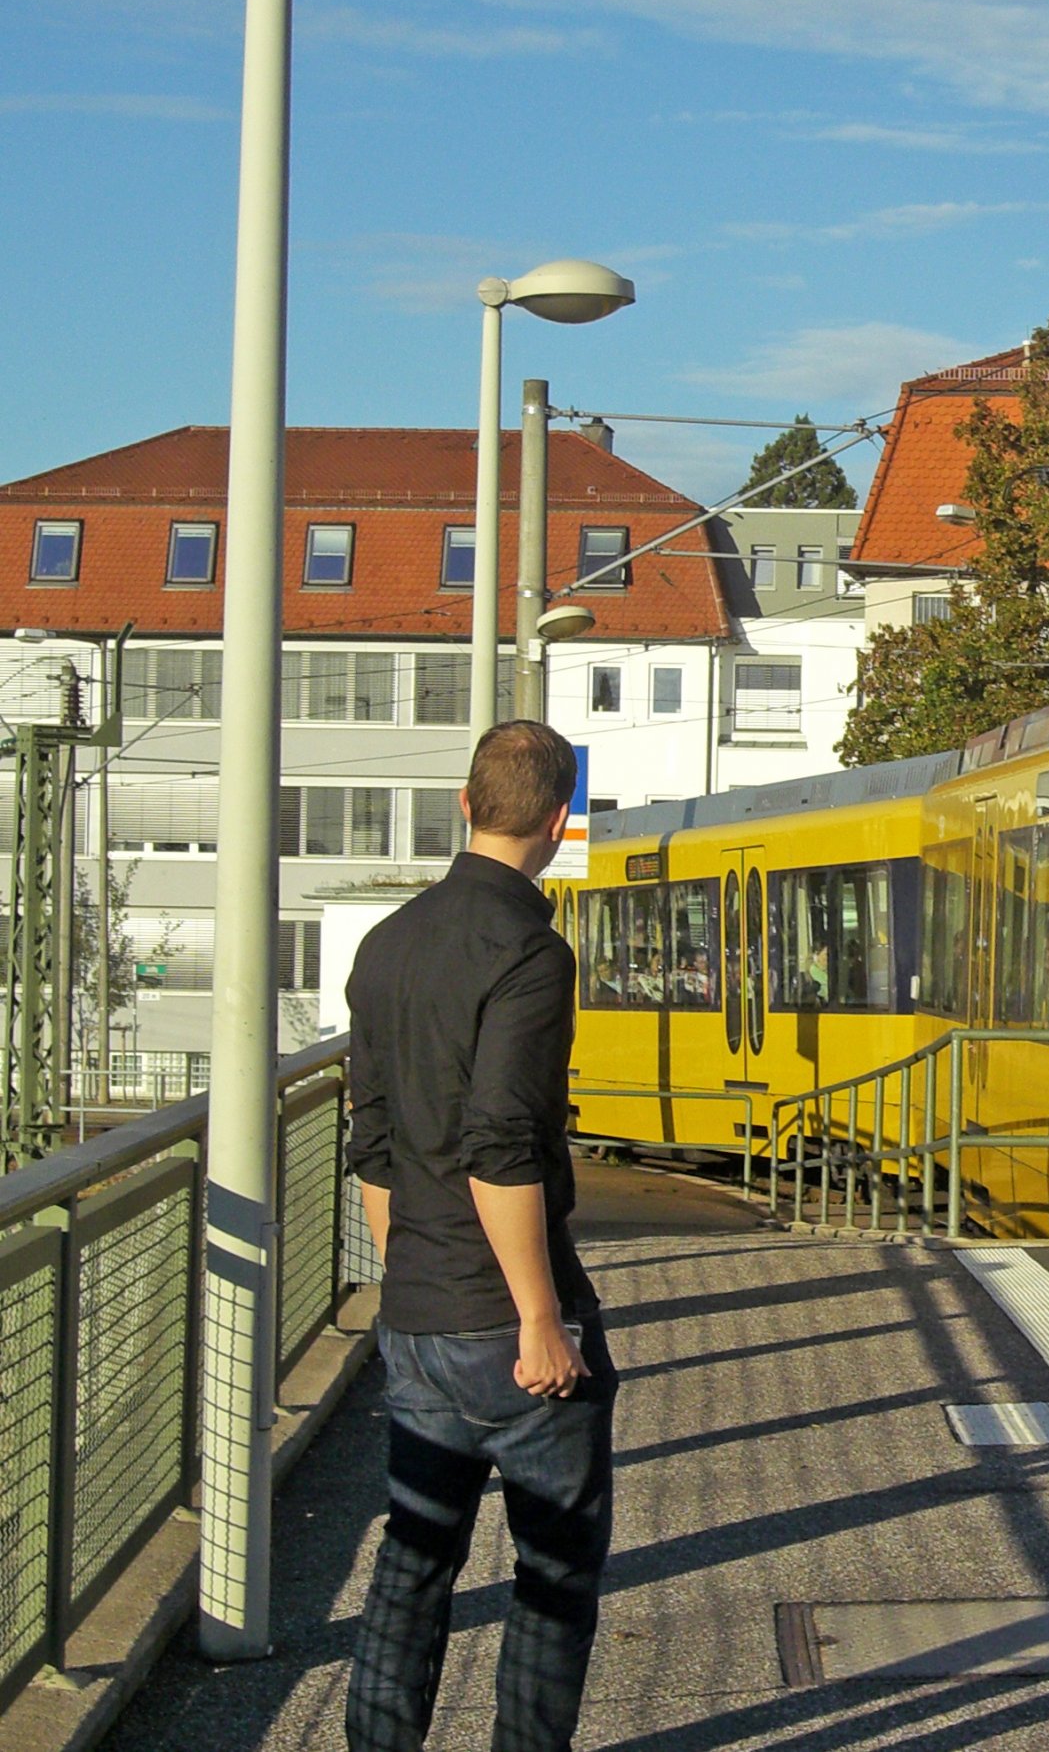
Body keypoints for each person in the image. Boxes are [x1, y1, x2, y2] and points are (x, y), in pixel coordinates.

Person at [345, 722, 613, 1752]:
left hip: (417, 1311)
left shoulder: (387, 944)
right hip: (509, 1329)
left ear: (465, 804)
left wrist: (408, 1277)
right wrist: (540, 1319)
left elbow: (372, 1143)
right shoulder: (532, 954)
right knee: (552, 1575)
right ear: (558, 820)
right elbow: (501, 1146)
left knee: (412, 1562)